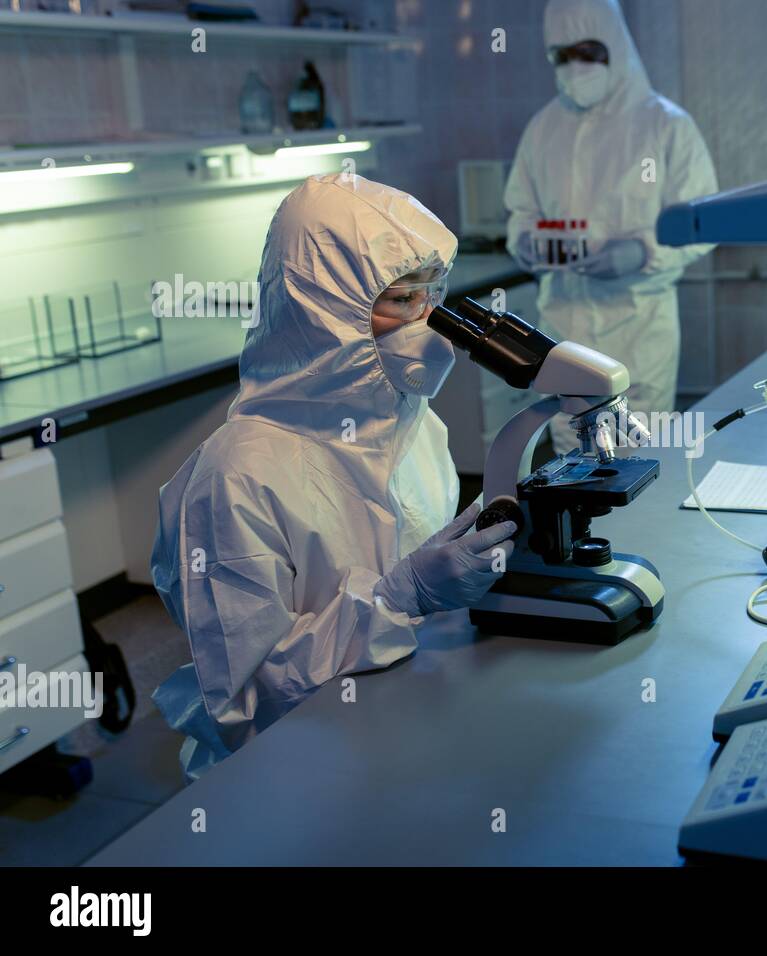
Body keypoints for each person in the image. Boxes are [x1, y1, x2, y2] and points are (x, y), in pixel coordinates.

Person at [151, 173, 516, 780]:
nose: (427, 320)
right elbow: (249, 699)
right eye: (401, 300)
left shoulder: (416, 425)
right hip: (295, 774)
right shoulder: (235, 478)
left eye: (434, 294)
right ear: (324, 312)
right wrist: (397, 601)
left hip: (410, 723)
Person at [505, 0, 718, 451]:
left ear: (616, 47)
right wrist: (524, 241)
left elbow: (701, 226)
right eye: (561, 56)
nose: (575, 66)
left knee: (637, 462)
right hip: (564, 333)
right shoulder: (543, 129)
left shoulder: (666, 125)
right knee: (572, 465)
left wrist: (644, 251)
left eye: (587, 51)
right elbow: (520, 211)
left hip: (638, 331)